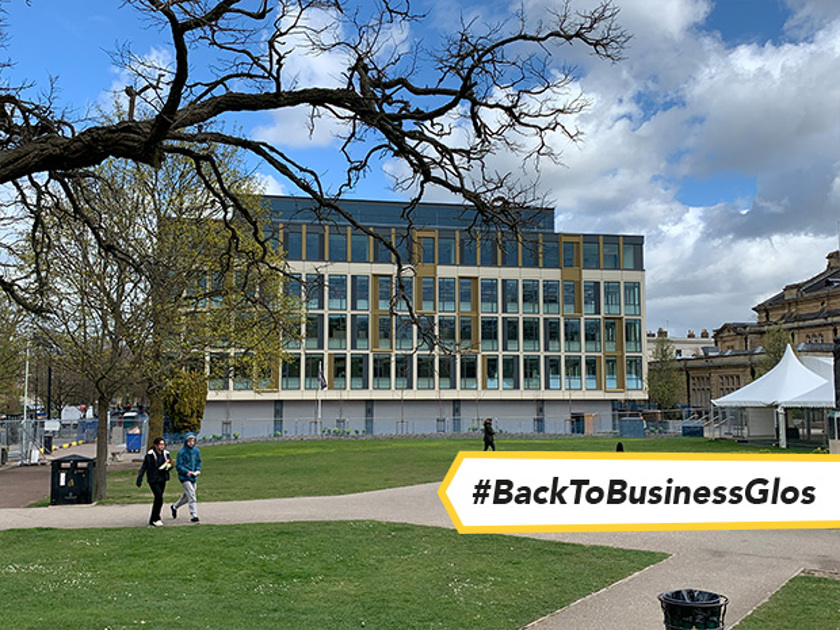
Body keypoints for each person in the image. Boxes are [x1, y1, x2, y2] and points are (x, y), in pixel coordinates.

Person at [135, 437, 172, 527]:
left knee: (158, 499)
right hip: (153, 479)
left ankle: (153, 518)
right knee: (159, 497)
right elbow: (144, 467)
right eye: (160, 444)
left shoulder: (166, 454)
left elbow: (170, 464)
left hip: (162, 478)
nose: (162, 446)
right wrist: (139, 479)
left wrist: (168, 466)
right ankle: (156, 518)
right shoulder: (150, 455)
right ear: (155, 445)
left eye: (163, 444)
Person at [171, 433, 202, 523]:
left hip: (193, 476)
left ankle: (174, 506)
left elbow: (198, 462)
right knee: (192, 495)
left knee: (187, 496)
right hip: (185, 477)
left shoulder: (196, 451)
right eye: (189, 441)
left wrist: (197, 470)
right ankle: (194, 515)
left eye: (193, 441)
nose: (191, 443)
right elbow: (179, 466)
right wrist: (186, 472)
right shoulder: (182, 452)